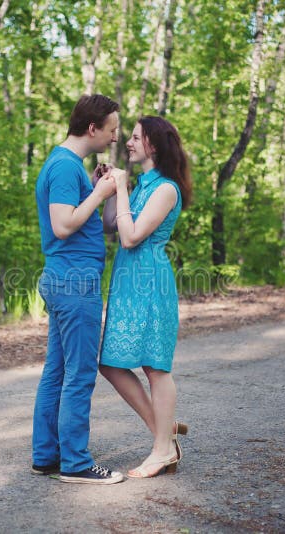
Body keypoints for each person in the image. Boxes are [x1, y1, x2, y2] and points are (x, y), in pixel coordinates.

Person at [32, 94, 125, 485]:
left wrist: (95, 188)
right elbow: (63, 225)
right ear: (92, 128)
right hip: (74, 282)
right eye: (112, 129)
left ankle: (46, 456)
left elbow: (90, 223)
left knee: (57, 371)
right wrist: (101, 193)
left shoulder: (70, 167)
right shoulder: (65, 167)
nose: (116, 137)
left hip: (64, 278)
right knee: (79, 373)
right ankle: (75, 462)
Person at [98, 116, 193, 478]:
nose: (130, 143)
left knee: (155, 367)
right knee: (109, 363)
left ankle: (161, 449)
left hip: (150, 284)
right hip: (126, 284)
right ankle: (164, 431)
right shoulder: (140, 186)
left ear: (154, 144)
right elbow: (111, 225)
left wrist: (122, 189)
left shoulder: (166, 189)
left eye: (137, 137)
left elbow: (132, 236)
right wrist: (107, 187)